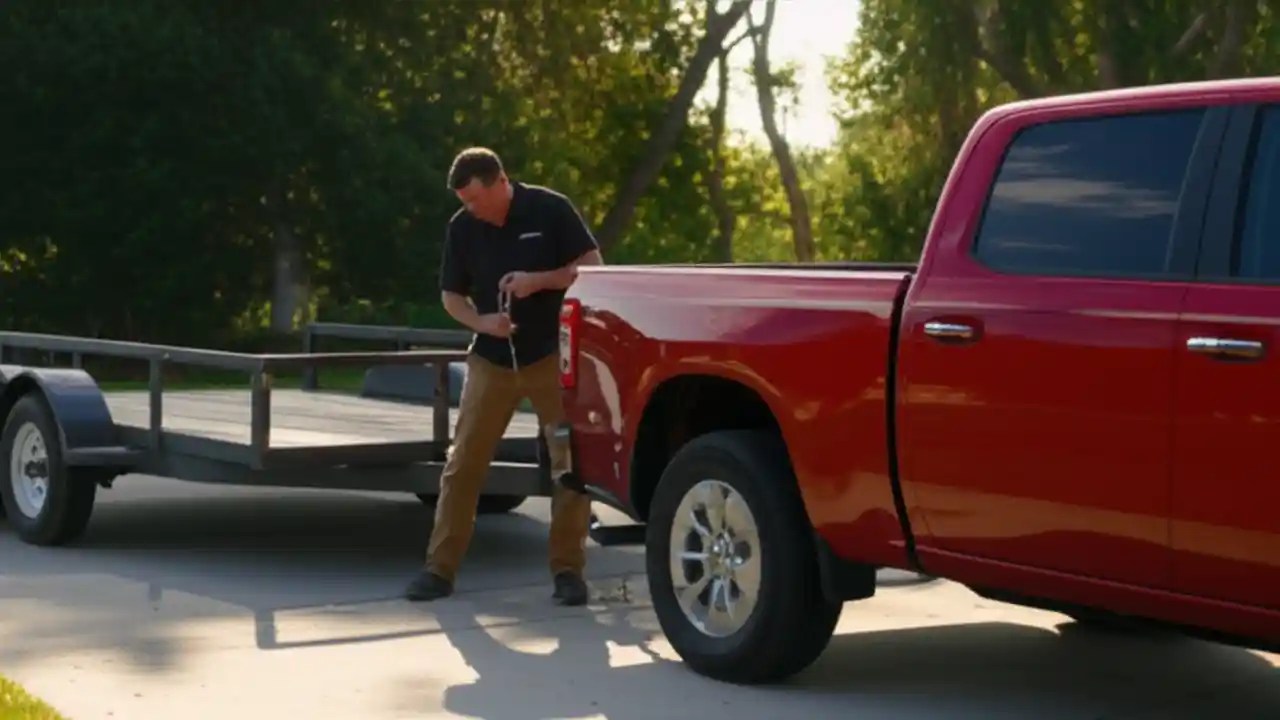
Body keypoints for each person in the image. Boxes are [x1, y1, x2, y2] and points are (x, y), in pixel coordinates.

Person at [405, 147, 603, 606]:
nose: (471, 209)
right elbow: (451, 296)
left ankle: (568, 572)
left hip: (552, 358)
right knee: (463, 463)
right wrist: (482, 323)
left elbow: (594, 268)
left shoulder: (550, 209)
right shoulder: (462, 227)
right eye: (464, 201)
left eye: (476, 198)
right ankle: (439, 570)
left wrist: (539, 280)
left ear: (500, 182)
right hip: (491, 361)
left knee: (567, 464)